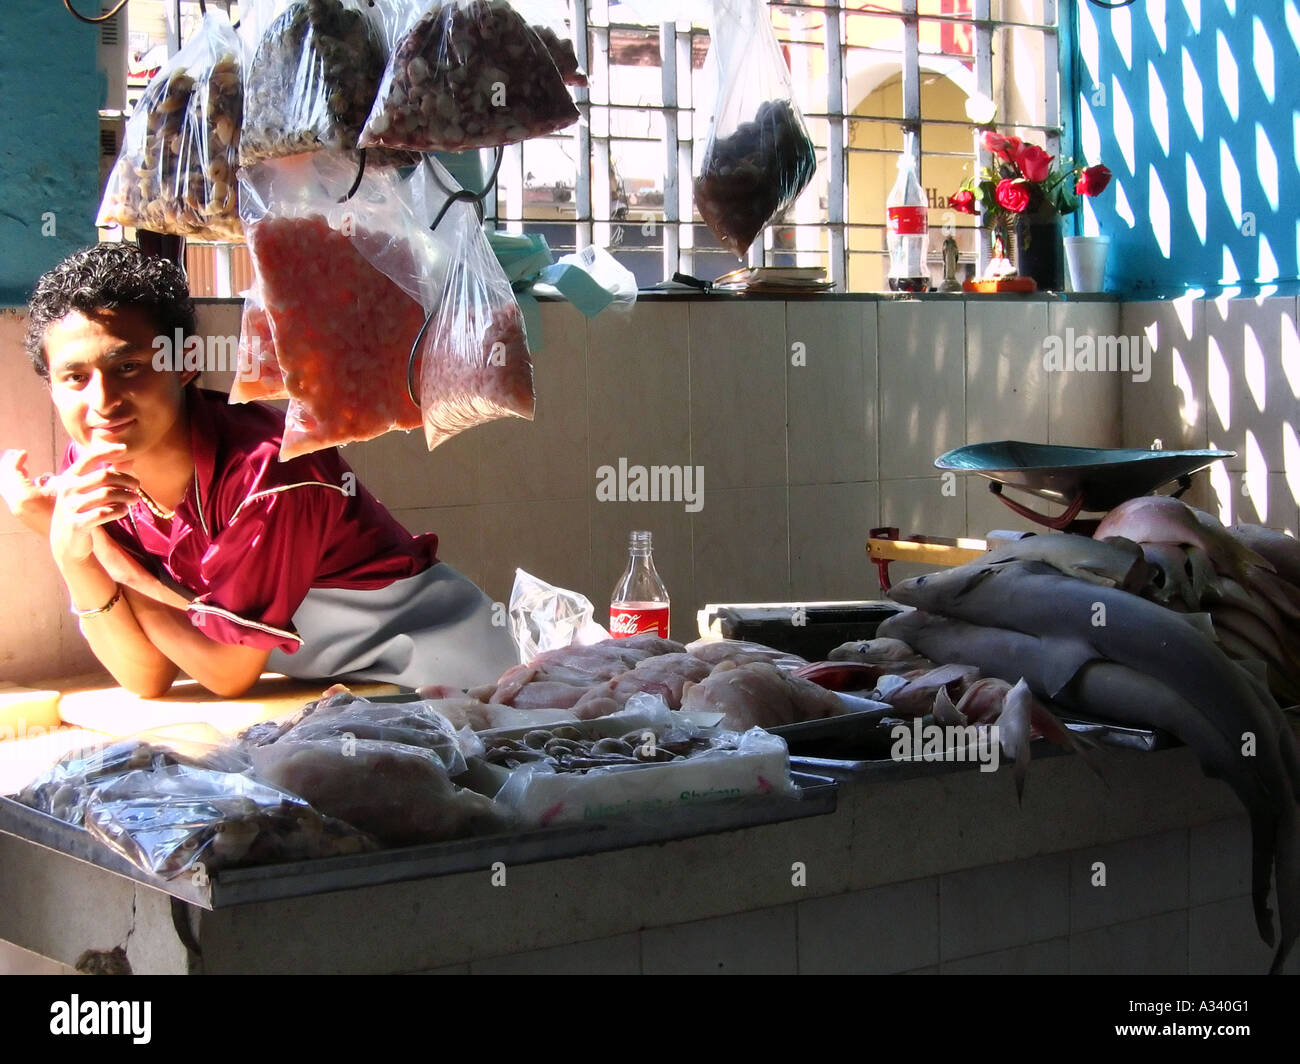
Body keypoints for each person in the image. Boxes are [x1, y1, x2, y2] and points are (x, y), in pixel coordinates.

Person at [0, 243, 517, 698]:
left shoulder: (269, 472)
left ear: (185, 362)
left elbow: (225, 673)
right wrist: (72, 554)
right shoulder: (95, 466)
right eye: (75, 378)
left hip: (448, 675)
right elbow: (147, 678)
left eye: (129, 367)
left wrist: (80, 537)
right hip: (341, 690)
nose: (104, 402)